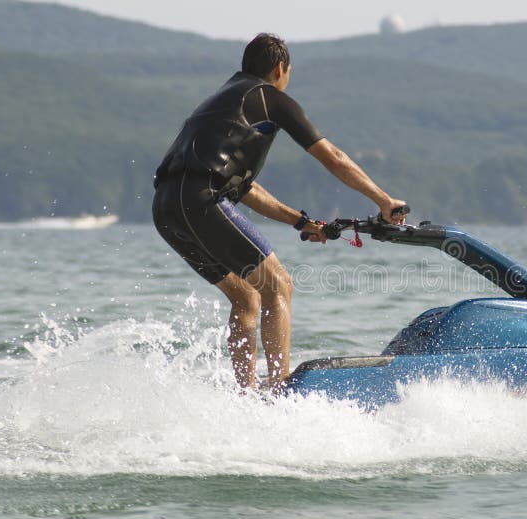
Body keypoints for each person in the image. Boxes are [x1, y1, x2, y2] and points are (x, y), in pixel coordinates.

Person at [152, 33, 408, 391]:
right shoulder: (269, 97)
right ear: (279, 69)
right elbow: (333, 158)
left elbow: (245, 189)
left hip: (167, 208)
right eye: (288, 72)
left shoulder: (220, 102)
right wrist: (384, 200)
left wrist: (300, 221)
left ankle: (246, 395)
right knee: (279, 285)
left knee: (247, 296)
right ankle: (280, 390)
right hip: (201, 200)